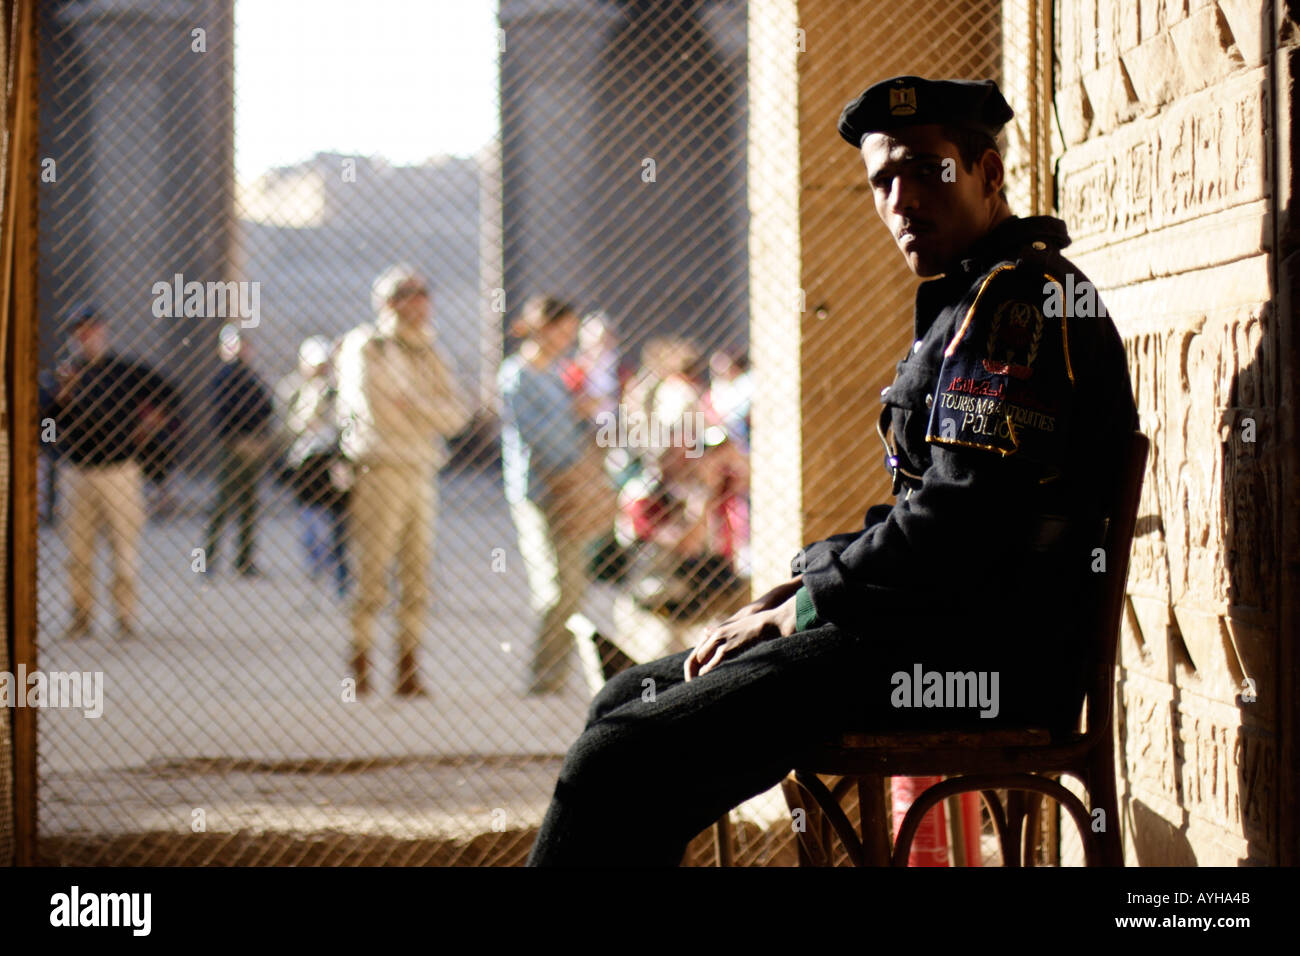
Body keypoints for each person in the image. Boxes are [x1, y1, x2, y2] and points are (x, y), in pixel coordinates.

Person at [526, 75, 1139, 866]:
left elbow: (957, 524)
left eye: (927, 169)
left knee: (619, 757)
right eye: (883, 179)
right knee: (626, 700)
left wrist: (806, 608)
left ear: (988, 174)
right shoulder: (973, 299)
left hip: (983, 659)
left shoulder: (1021, 305)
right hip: (932, 630)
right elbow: (930, 507)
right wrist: (798, 587)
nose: (901, 198)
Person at [335, 266, 470, 697]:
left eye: (425, 292)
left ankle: (408, 666)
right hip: (380, 468)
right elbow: (375, 409)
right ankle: (360, 662)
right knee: (372, 570)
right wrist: (422, 411)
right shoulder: (368, 346)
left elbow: (457, 415)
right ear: (389, 302)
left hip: (420, 468)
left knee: (417, 573)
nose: (422, 302)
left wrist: (413, 405)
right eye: (412, 294)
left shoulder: (429, 350)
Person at [499, 296, 615, 695]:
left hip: (572, 490)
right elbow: (538, 435)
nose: (568, 338)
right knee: (554, 588)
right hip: (539, 489)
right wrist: (575, 414)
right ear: (541, 328)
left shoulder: (557, 373)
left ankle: (554, 679)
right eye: (562, 330)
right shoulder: (518, 375)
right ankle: (542, 679)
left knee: (574, 587)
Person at [46, 305, 177, 639]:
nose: (86, 337)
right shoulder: (63, 376)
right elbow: (45, 422)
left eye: (92, 330)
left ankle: (125, 617)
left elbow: (170, 394)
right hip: (79, 470)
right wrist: (61, 398)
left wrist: (153, 424)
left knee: (124, 550)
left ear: (103, 332)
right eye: (80, 331)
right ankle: (81, 616)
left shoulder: (124, 371)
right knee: (78, 552)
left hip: (120, 468)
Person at [278, 335, 350, 598]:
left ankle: (341, 578)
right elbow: (289, 427)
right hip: (306, 465)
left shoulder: (339, 388)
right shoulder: (294, 390)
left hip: (334, 462)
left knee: (339, 523)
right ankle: (317, 569)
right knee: (311, 521)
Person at [204, 324, 275, 577]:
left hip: (253, 447)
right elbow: (225, 413)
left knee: (249, 506)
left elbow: (266, 407)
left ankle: (244, 560)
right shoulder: (224, 377)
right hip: (232, 448)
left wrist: (259, 439)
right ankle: (207, 561)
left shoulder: (252, 376)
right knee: (222, 506)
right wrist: (238, 438)